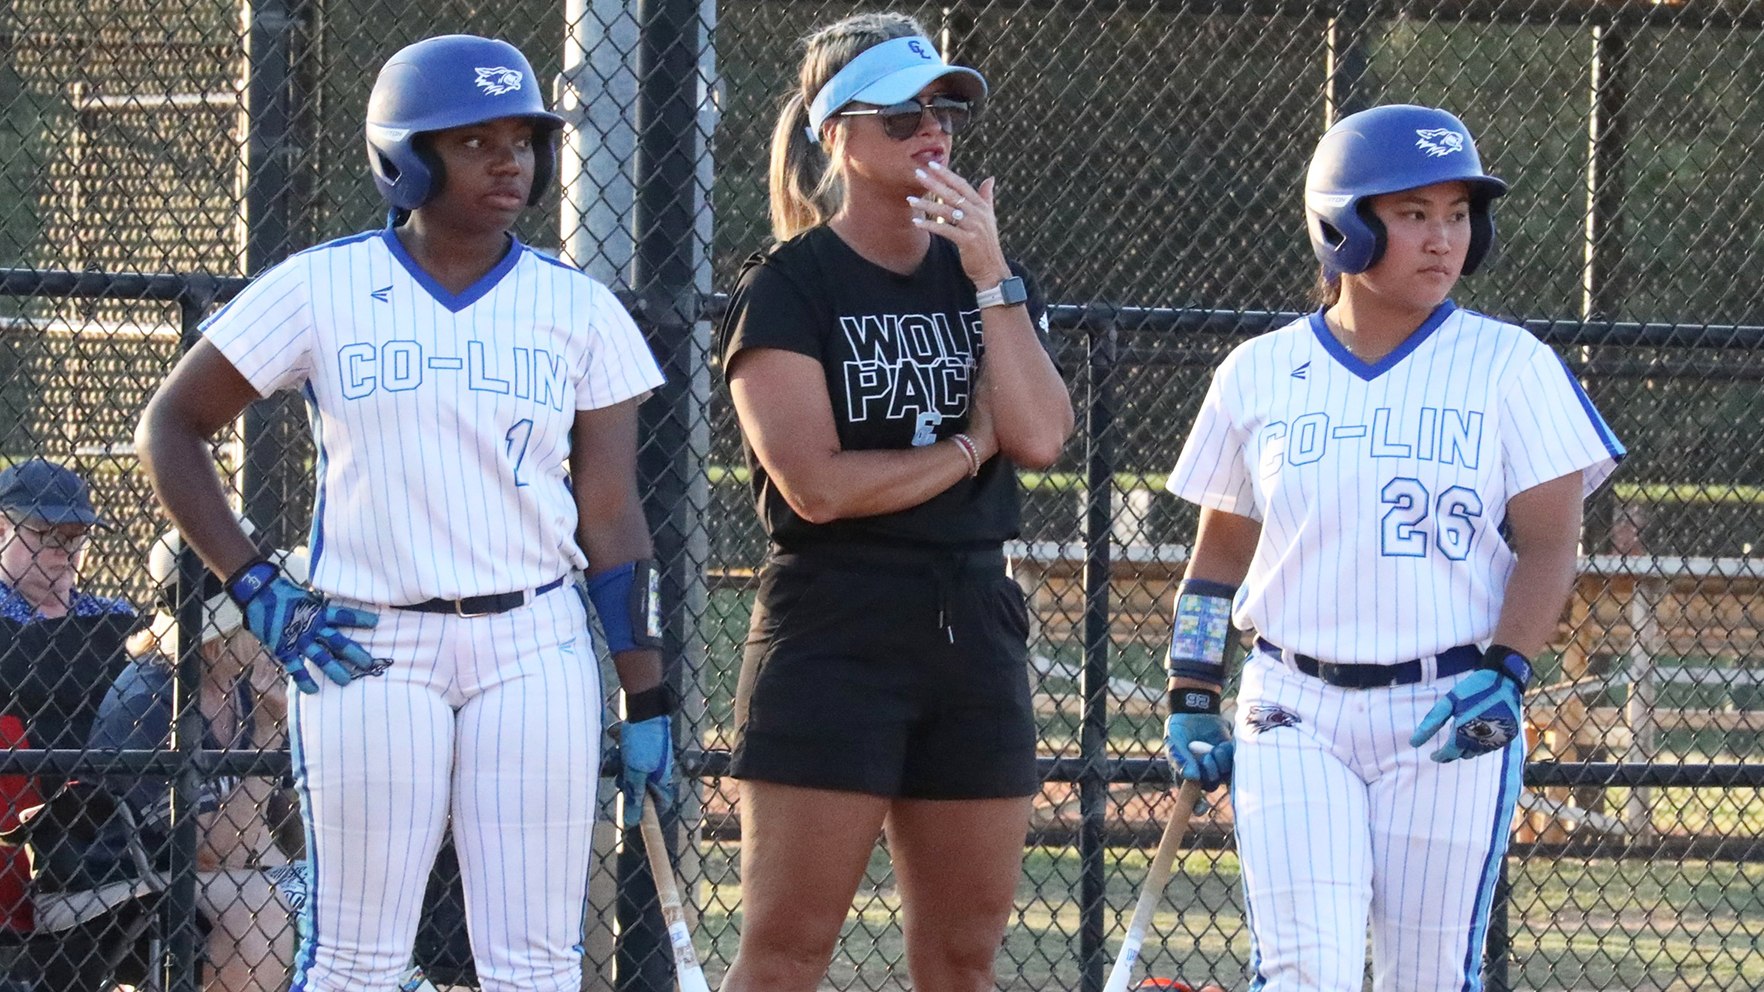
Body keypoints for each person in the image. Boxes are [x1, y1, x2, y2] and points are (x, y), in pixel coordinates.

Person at [132, 34, 673, 992]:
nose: (512, 160)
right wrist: (257, 587)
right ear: (404, 158)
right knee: (355, 957)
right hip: (365, 642)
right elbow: (171, 426)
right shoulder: (321, 285)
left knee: (536, 960)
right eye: (475, 141)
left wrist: (647, 695)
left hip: (534, 643)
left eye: (525, 138)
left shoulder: (577, 307)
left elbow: (613, 515)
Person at [1159, 104, 1625, 992]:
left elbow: (1552, 548)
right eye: (1413, 214)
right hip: (1291, 707)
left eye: (1458, 215)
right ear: (1343, 225)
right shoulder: (1257, 373)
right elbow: (1216, 560)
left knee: (1430, 977)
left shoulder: (1511, 365)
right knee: (1308, 972)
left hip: (1448, 711)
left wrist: (1509, 673)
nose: (1442, 238)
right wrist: (1190, 691)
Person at [715, 13, 1072, 992]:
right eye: (904, 112)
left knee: (963, 960)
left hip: (974, 625)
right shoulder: (789, 287)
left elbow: (1038, 435)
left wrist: (993, 274)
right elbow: (819, 486)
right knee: (787, 951)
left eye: (945, 109)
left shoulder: (983, 276)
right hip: (833, 628)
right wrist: (965, 446)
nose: (934, 130)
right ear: (837, 132)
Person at [88, 526, 307, 992]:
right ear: (222, 631)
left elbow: (259, 838)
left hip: (204, 865)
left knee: (327, 894)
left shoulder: (237, 681)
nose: (276, 623)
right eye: (260, 615)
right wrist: (271, 729)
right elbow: (214, 851)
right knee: (259, 910)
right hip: (115, 881)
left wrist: (295, 876)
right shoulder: (151, 699)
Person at [0, 458, 140, 990]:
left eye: (76, 535)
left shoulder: (113, 616)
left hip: (127, 807)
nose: (63, 549)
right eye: (44, 532)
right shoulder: (117, 631)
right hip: (35, 820)